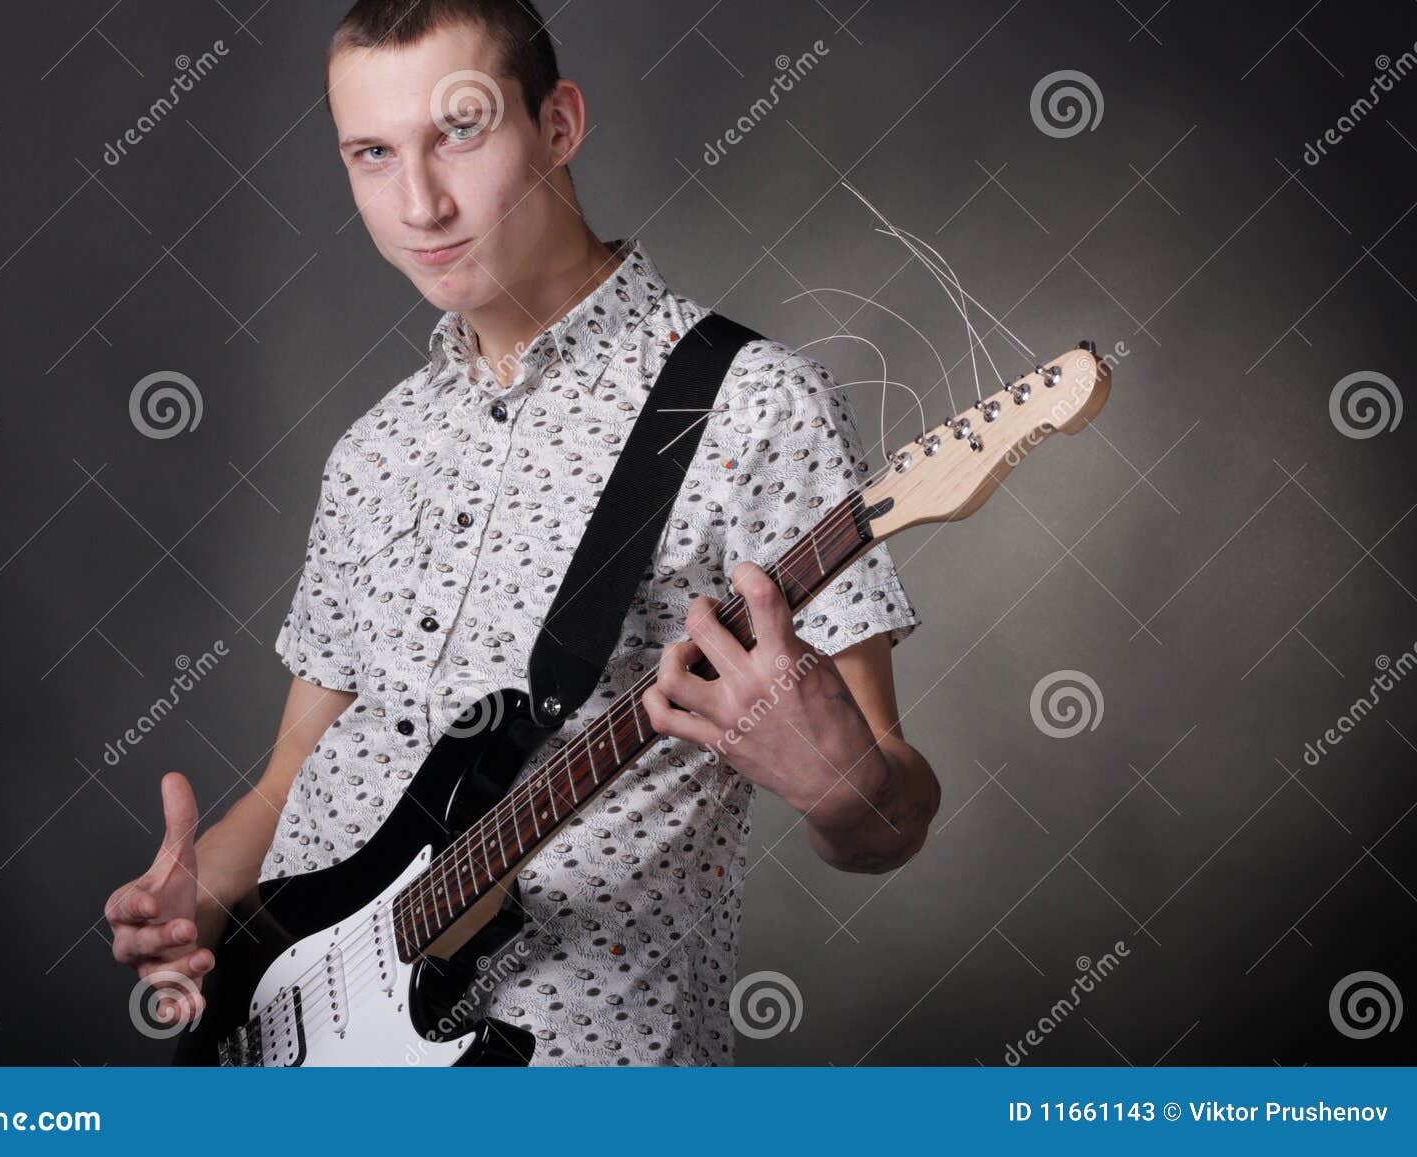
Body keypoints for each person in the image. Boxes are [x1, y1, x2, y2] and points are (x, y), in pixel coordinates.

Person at [105, 0, 940, 1066]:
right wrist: (197, 904)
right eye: (371, 153)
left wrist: (839, 787)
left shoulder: (754, 407)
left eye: (459, 132)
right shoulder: (374, 448)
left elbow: (891, 811)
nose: (420, 202)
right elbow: (288, 782)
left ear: (558, 124)